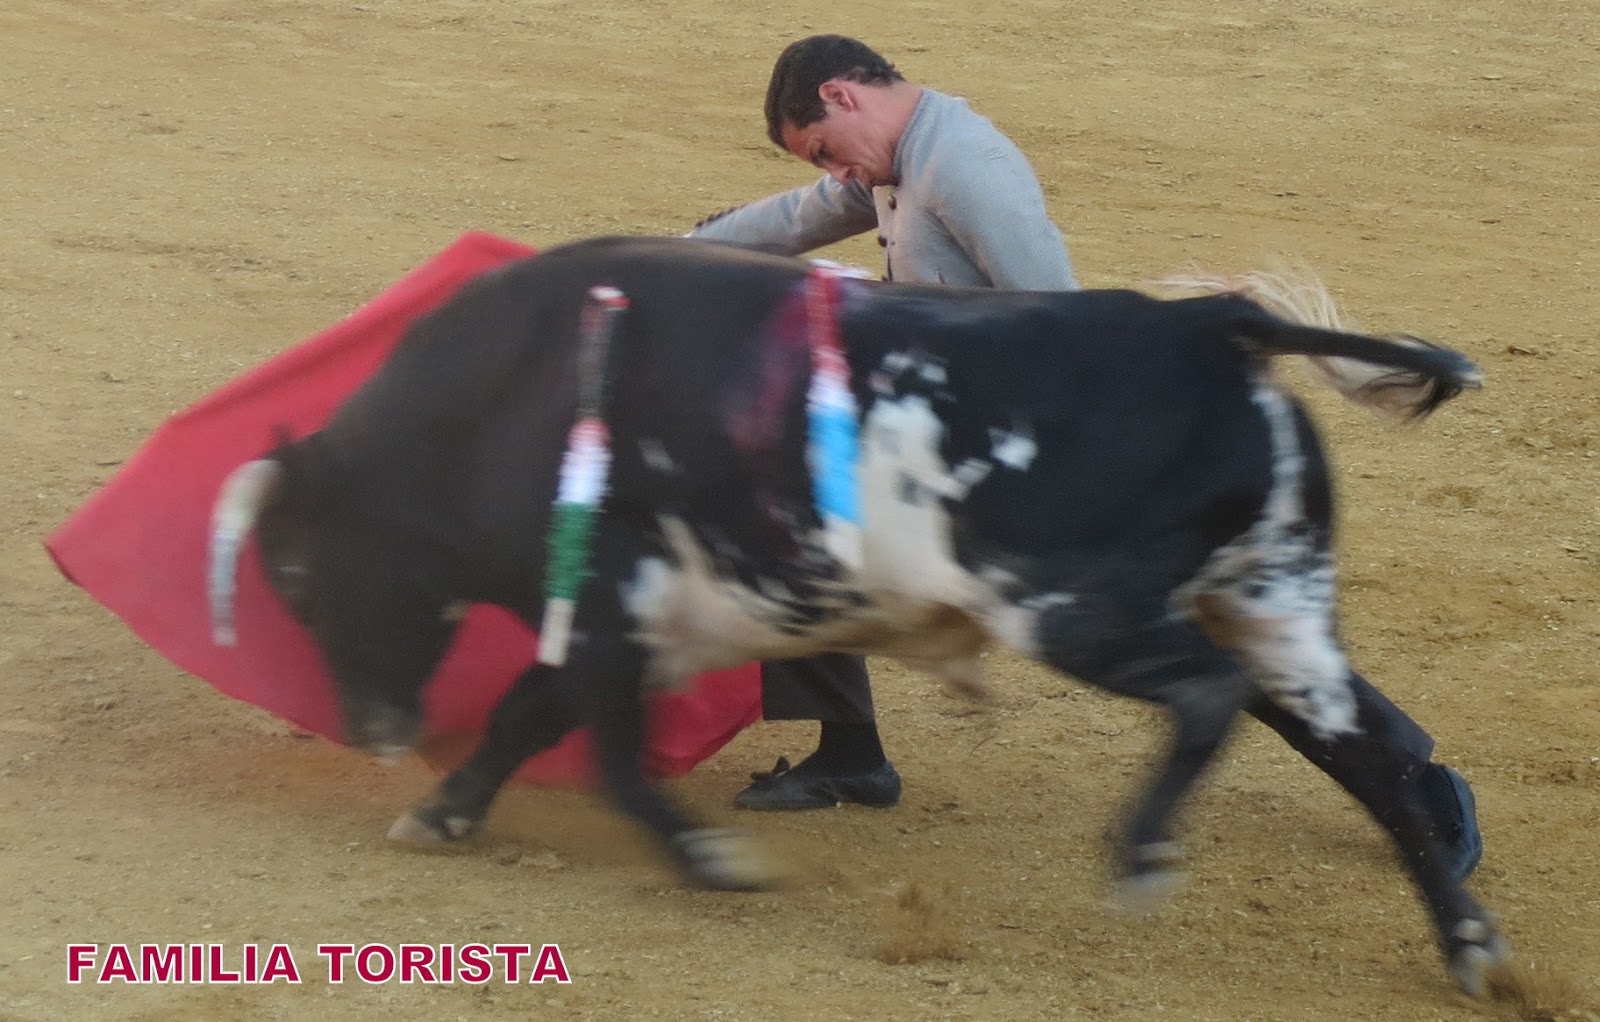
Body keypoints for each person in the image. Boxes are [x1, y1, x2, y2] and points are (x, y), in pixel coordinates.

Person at [687, 34, 1483, 882]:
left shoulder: (962, 166)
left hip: (1054, 456)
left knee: (1217, 635)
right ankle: (849, 748)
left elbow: (1063, 320)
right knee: (804, 516)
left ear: (844, 96)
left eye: (825, 149)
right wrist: (675, 258)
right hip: (980, 448)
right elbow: (804, 213)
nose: (836, 173)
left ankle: (1416, 782)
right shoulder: (895, 166)